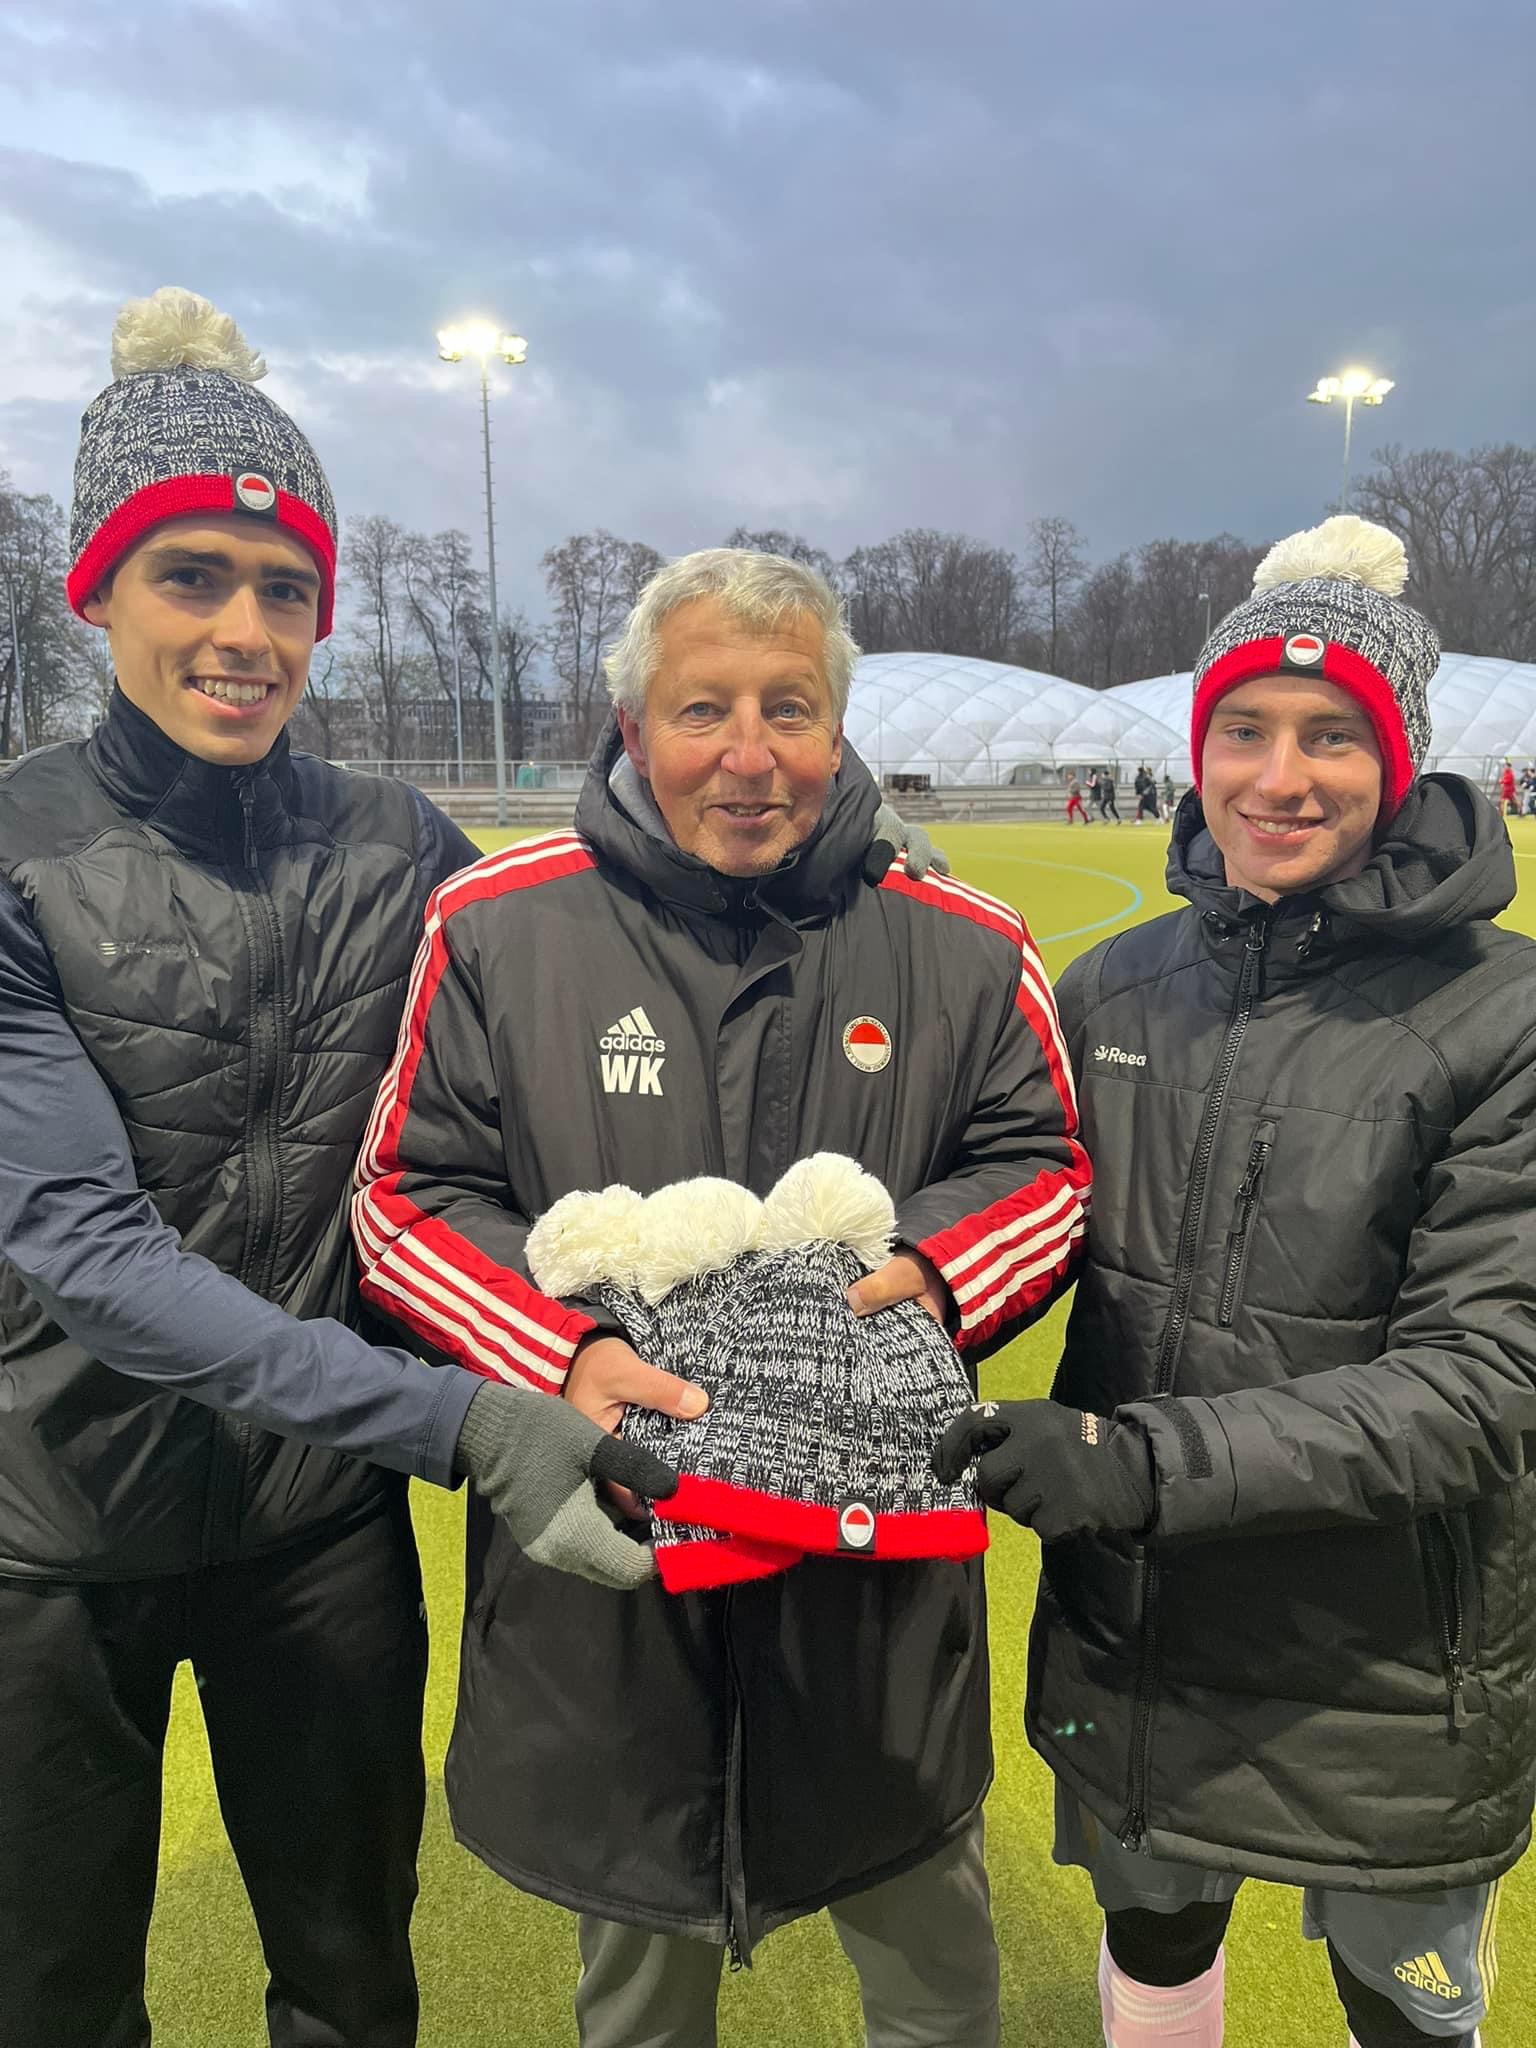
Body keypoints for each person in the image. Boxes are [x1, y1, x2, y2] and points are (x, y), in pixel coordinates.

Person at [0, 288, 680, 2048]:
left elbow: (581, 988)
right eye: (192, 579)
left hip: (319, 1529)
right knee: (52, 1993)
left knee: (359, 1982)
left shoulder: (402, 844)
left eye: (285, 589)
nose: (245, 631)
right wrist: (465, 1424)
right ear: (99, 597)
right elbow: (85, 1248)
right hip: (51, 1534)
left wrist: (806, 843)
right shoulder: (14, 852)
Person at [352, 547, 1092, 2047]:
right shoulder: (495, 926)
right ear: (635, 728)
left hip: (875, 1587)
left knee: (933, 1963)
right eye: (705, 709)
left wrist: (926, 1279)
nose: (749, 757)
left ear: (839, 730)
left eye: (791, 709)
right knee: (636, 1989)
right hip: (613, 1594)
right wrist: (566, 1351)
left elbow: (1049, 1166)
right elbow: (401, 1199)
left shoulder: (965, 943)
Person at [938, 515, 1536, 2048]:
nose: (1282, 777)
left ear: (1400, 756)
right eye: (1246, 730)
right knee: (1152, 1953)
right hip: (1143, 1628)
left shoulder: (1507, 1014)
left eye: (1332, 735)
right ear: (1197, 750)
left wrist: (1133, 1463)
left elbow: (1489, 1386)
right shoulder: (1113, 985)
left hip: (1389, 1662)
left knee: (1403, 2015)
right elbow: (1006, 1220)